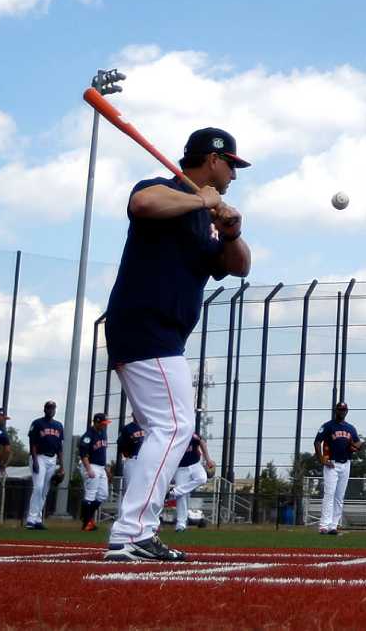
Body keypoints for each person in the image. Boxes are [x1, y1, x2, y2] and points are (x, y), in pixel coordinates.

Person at [100, 127, 252, 563]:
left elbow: (239, 267)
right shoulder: (164, 189)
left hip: (161, 332)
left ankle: (133, 530)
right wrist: (201, 200)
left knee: (167, 428)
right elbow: (142, 204)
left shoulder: (206, 220)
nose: (234, 176)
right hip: (146, 324)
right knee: (173, 427)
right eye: (231, 166)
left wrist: (230, 232)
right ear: (212, 160)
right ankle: (132, 532)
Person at [313, 403, 359, 535]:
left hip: (346, 463)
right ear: (336, 410)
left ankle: (333, 525)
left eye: (344, 409)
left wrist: (359, 446)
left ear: (347, 411)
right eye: (340, 409)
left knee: (339, 496)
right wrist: (321, 458)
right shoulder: (328, 426)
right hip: (331, 464)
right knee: (329, 494)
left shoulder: (350, 428)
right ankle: (324, 525)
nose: (342, 411)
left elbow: (357, 443)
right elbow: (317, 441)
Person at [24, 400, 65, 529]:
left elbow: (59, 448)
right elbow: (32, 443)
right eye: (49, 408)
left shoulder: (59, 425)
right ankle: (31, 519)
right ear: (45, 409)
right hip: (39, 457)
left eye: (53, 408)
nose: (51, 410)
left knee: (44, 490)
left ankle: (37, 519)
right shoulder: (37, 423)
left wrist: (62, 467)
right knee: (38, 487)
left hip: (52, 459)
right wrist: (35, 460)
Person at [168, 429, 214, 533]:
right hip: (180, 468)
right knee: (181, 496)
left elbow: (202, 442)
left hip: (195, 464)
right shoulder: (173, 437)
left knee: (202, 478)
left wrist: (208, 459)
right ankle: (181, 524)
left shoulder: (189, 433)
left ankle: (175, 491)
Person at [75, 411, 111, 532]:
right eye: (103, 423)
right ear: (96, 422)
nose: (105, 425)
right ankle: (86, 523)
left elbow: (102, 452)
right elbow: (83, 454)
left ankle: (86, 517)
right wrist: (88, 468)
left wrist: (106, 468)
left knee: (103, 495)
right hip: (91, 465)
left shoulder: (103, 433)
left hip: (101, 467)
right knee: (90, 494)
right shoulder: (88, 435)